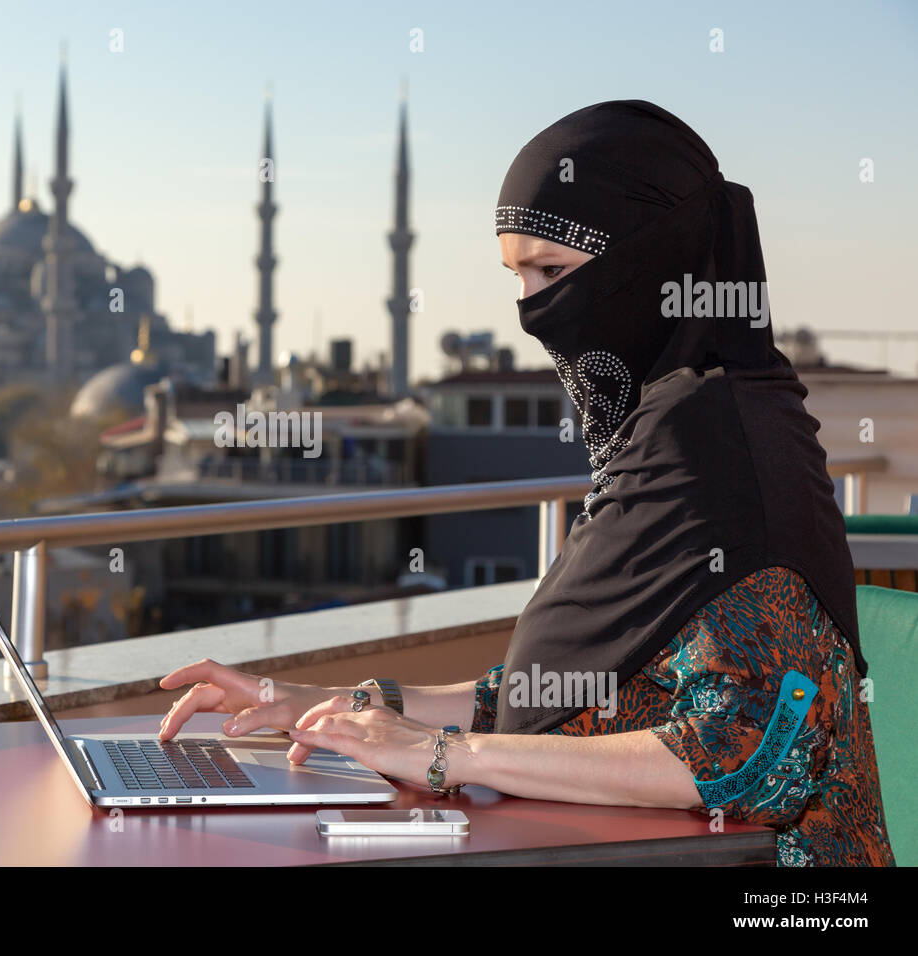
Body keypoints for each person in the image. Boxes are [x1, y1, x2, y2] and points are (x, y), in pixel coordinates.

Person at [159, 100, 894, 867]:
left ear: (651, 260)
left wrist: (448, 756)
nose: (530, 312)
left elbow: (751, 757)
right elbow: (564, 695)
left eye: (552, 271)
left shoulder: (722, 437)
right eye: (515, 275)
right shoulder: (662, 426)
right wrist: (324, 708)